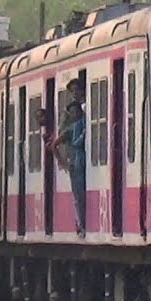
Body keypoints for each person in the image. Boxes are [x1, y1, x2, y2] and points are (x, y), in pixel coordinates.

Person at [55, 101, 87, 237]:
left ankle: (82, 224)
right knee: (78, 196)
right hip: (75, 165)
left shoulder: (83, 124)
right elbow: (53, 145)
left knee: (81, 195)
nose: (75, 115)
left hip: (82, 163)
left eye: (77, 112)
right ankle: (80, 224)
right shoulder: (70, 129)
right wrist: (63, 162)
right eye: (72, 112)